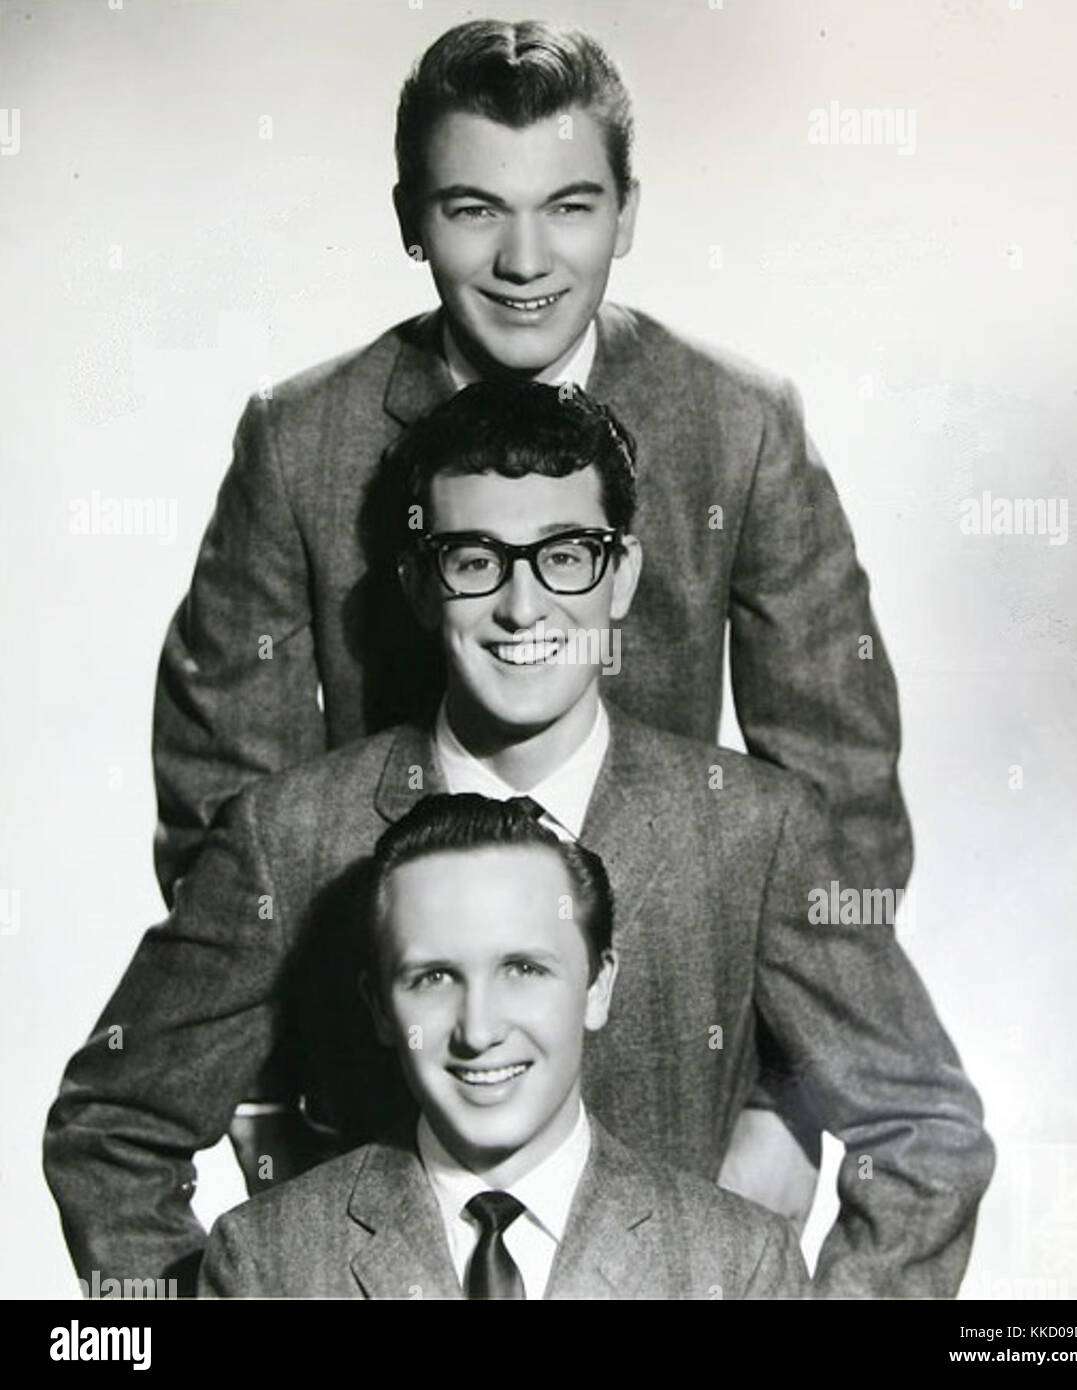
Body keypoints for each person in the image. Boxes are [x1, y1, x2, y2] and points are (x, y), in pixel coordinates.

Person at [45, 381, 993, 1299]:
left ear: (622, 575)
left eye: (567, 555)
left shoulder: (753, 829)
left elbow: (926, 1128)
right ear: (421, 585)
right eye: (475, 560)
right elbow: (112, 1124)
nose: (524, 607)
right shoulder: (291, 834)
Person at [154, 17, 911, 910]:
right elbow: (226, 816)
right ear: (409, 219)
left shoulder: (739, 425)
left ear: (626, 213)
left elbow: (842, 808)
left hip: (668, 979)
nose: (524, 262)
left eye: (568, 206)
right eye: (475, 209)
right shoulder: (299, 441)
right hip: (385, 995)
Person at [199, 795, 810, 1300]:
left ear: (598, 987)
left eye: (522, 969)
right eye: (434, 977)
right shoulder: (264, 1263)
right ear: (381, 1007)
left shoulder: (741, 1266)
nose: (480, 1029)